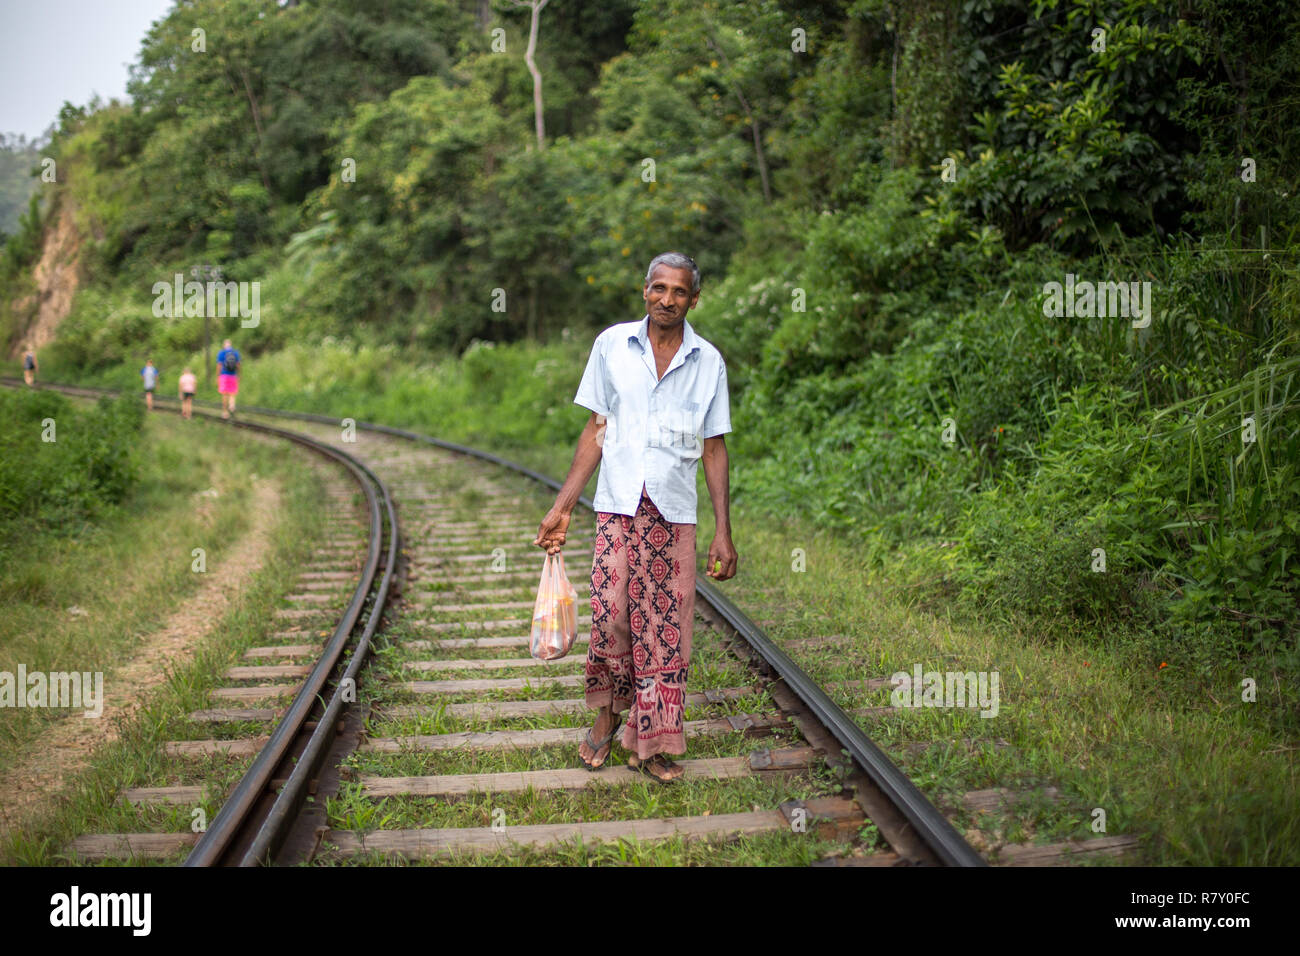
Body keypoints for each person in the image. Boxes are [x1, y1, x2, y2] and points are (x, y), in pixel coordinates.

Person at [534, 252, 738, 783]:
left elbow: (714, 448)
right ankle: (607, 716)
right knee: (610, 618)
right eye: (659, 288)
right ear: (644, 290)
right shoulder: (612, 346)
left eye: (679, 292)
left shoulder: (708, 362)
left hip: (673, 513)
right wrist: (561, 506)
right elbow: (597, 429)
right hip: (618, 507)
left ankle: (656, 741)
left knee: (667, 630)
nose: (667, 299)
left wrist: (724, 531)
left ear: (694, 299)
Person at [215, 339, 241, 419]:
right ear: (231, 345)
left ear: (224, 345)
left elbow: (219, 366)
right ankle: (232, 405)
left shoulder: (221, 353)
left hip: (224, 376)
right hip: (233, 376)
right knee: (232, 393)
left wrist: (217, 376)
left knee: (225, 394)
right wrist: (239, 375)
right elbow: (238, 365)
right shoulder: (236, 353)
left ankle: (225, 412)